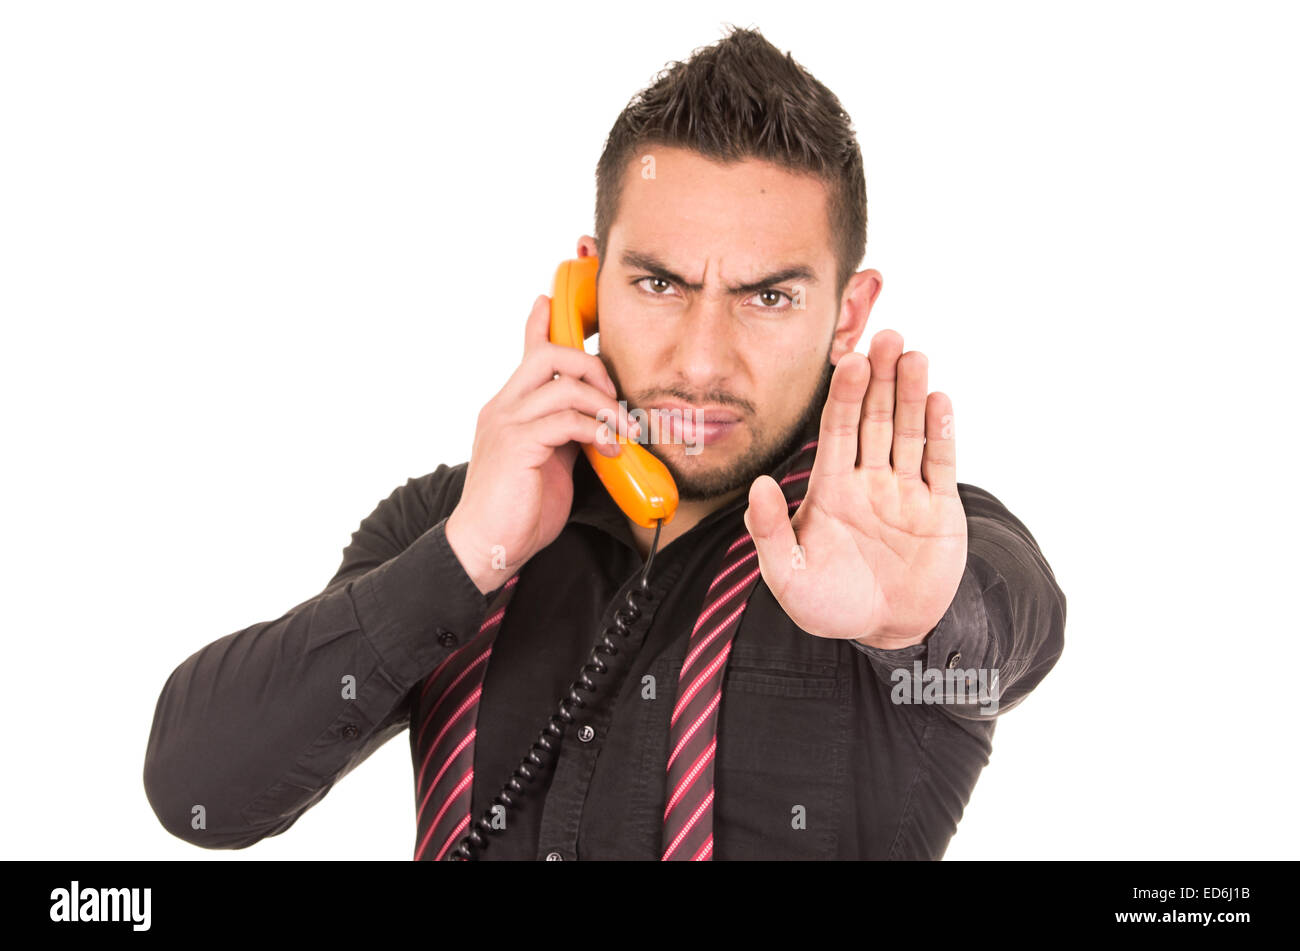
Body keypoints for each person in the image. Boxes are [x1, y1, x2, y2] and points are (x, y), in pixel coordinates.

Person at [143, 25, 1066, 861]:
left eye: (768, 296)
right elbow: (198, 792)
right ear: (587, 284)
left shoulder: (907, 538)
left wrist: (917, 626)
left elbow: (1006, 633)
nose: (702, 361)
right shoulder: (456, 518)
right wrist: (467, 556)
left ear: (847, 314)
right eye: (659, 285)